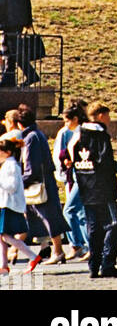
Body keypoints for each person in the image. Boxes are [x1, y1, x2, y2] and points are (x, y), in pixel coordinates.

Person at [71, 101, 117, 278]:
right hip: (103, 188)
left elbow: (70, 158)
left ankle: (93, 265)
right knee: (113, 225)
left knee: (94, 227)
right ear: (100, 115)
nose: (109, 120)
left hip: (86, 187)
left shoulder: (78, 134)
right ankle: (108, 264)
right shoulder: (100, 136)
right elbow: (105, 162)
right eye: (107, 115)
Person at [19, 103, 67, 265]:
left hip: (38, 184)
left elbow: (32, 167)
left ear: (20, 124)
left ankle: (58, 251)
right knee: (38, 218)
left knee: (48, 218)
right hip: (42, 182)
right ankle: (47, 249)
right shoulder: (36, 134)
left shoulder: (30, 137)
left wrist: (22, 180)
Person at [52, 100, 88, 260]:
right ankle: (79, 244)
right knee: (76, 211)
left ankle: (81, 244)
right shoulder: (66, 132)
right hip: (72, 175)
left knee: (73, 210)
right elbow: (60, 154)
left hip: (78, 175)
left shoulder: (81, 131)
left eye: (67, 120)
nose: (65, 123)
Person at [0, 135, 41, 273]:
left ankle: (32, 256)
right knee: (2, 236)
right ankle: (3, 265)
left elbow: (12, 186)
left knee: (6, 236)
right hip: (5, 204)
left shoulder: (11, 166)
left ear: (7, 152)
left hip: (9, 205)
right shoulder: (7, 165)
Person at [0, 0, 34, 87]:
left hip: (7, 22)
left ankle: (9, 78)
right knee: (14, 50)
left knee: (7, 48)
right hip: (19, 22)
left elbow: (1, 3)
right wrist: (28, 20)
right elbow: (27, 2)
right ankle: (27, 76)